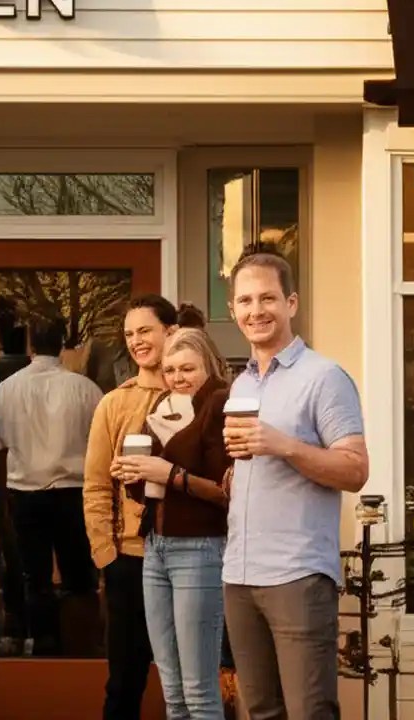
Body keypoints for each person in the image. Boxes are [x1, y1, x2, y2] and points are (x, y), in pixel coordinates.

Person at [221, 251, 369, 719]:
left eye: (267, 297)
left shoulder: (324, 377)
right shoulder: (240, 385)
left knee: (310, 712)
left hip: (297, 575)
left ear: (291, 302)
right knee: (262, 711)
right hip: (239, 574)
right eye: (245, 300)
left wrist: (285, 445)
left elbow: (355, 469)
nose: (255, 310)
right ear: (232, 311)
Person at [117, 319, 233, 720]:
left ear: (208, 367)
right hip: (156, 549)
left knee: (198, 690)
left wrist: (168, 474)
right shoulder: (161, 410)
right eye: (170, 370)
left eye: (188, 369)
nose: (178, 378)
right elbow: (149, 492)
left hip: (200, 548)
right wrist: (134, 476)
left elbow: (225, 491)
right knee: (172, 688)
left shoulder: (218, 404)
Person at [84, 294, 184, 720]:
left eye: (145, 330)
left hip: (191, 554)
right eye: (129, 334)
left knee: (189, 679)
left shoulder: (196, 397)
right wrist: (107, 555)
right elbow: (94, 485)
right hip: (131, 558)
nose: (136, 341)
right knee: (125, 681)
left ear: (171, 332)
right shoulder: (114, 404)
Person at [0, 315, 102, 656]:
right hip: (74, 490)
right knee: (79, 575)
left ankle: (44, 644)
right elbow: (101, 443)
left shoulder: (6, 389)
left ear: (30, 345)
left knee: (33, 575)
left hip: (26, 491)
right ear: (62, 346)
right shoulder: (86, 389)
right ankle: (80, 645)